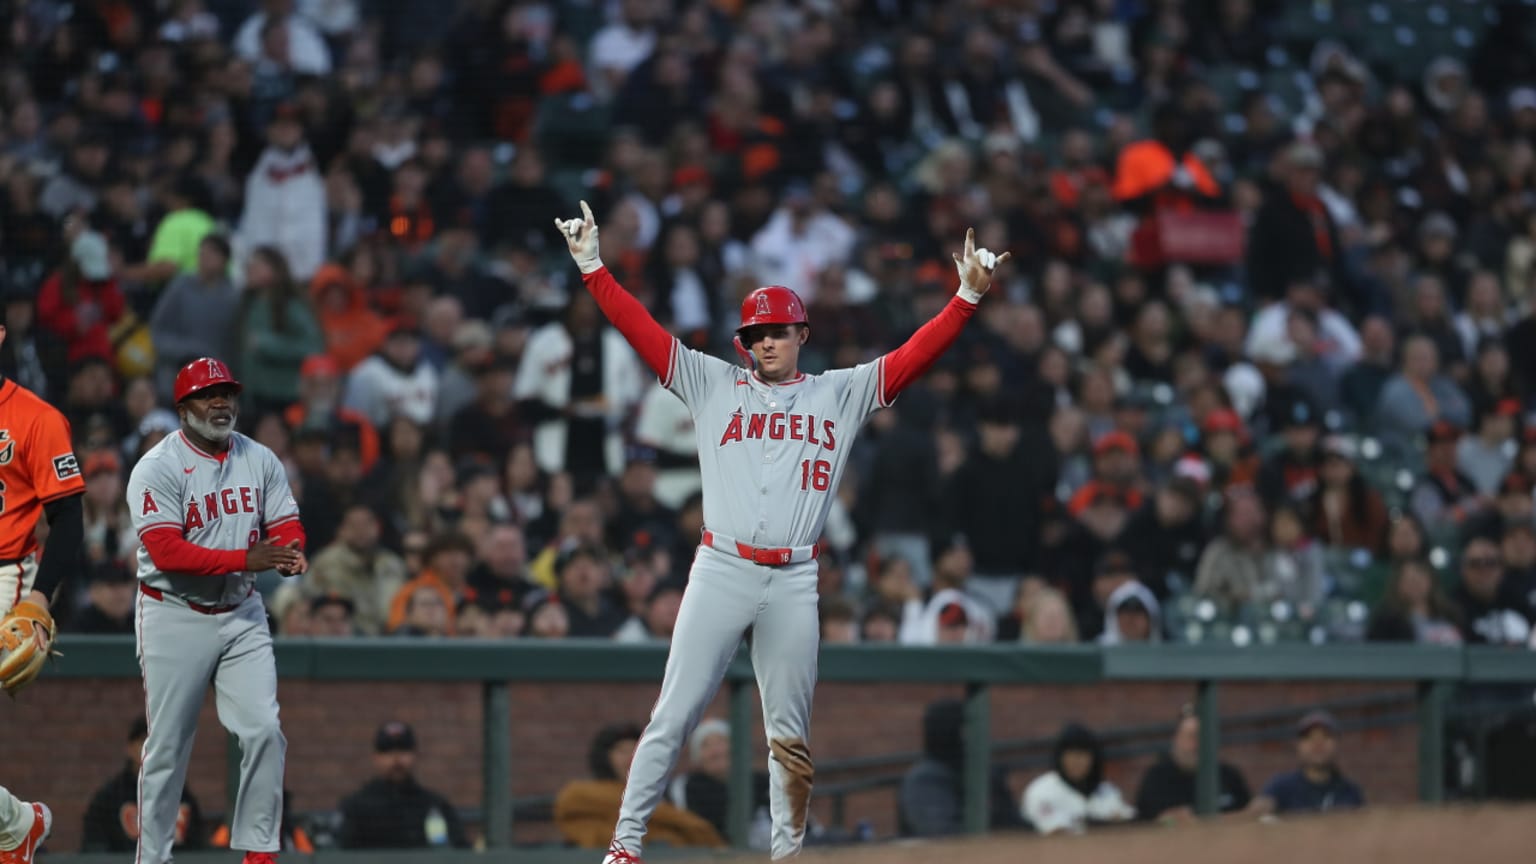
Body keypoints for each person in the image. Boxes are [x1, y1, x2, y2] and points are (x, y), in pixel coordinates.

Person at [555, 201, 1011, 863]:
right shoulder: (714, 383)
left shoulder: (840, 392)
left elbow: (915, 355)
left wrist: (966, 296)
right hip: (722, 568)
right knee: (672, 717)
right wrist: (594, 268)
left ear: (801, 333)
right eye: (757, 332)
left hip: (796, 575)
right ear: (746, 340)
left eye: (778, 330)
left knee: (788, 735)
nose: (766, 341)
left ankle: (787, 854)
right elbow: (643, 331)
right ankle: (624, 849)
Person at [126, 357, 308, 864]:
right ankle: (153, 858)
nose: (221, 402)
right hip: (173, 611)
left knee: (263, 729)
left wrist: (292, 550)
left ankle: (259, 852)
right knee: (167, 747)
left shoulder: (260, 458)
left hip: (241, 610)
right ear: (183, 408)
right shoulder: (156, 467)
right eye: (209, 395)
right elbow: (167, 552)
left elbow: (287, 521)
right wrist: (247, 557)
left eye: (227, 393)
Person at [0, 311, 88, 862]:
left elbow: (69, 518)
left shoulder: (36, 417)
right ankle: (15, 824)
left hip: (5, 570)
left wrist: (39, 595)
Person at [555, 724, 725, 850]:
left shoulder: (663, 795)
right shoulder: (582, 795)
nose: (631, 758)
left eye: (636, 750)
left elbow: (695, 835)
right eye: (622, 751)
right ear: (605, 758)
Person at [897, 699, 1023, 838]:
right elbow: (940, 833)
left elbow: (1015, 822)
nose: (972, 738)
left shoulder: (987, 774)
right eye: (965, 730)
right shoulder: (925, 779)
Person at [336, 721, 469, 850]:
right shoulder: (356, 808)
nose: (396, 759)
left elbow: (458, 851)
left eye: (403, 750)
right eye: (388, 751)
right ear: (375, 757)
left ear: (415, 755)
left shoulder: (435, 806)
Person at [81, 716, 205, 852]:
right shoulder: (110, 798)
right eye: (143, 741)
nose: (150, 748)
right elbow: (94, 849)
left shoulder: (180, 796)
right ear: (130, 748)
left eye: (156, 742)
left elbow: (197, 849)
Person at [1134, 707, 1252, 823]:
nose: (1197, 745)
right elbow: (1145, 823)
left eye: (1204, 738)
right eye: (1191, 737)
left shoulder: (1229, 776)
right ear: (1176, 738)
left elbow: (1251, 815)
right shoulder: (1157, 778)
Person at [1021, 723, 1136, 834]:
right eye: (1071, 754)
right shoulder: (1041, 791)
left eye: (1083, 755)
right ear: (1060, 757)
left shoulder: (1107, 791)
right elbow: (1054, 830)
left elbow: (1130, 821)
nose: (1077, 761)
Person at [1248, 711, 1364, 817]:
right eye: (1309, 737)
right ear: (1298, 745)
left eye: (1326, 736)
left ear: (1337, 743)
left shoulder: (1349, 792)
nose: (1318, 743)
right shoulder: (1280, 788)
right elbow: (1258, 811)